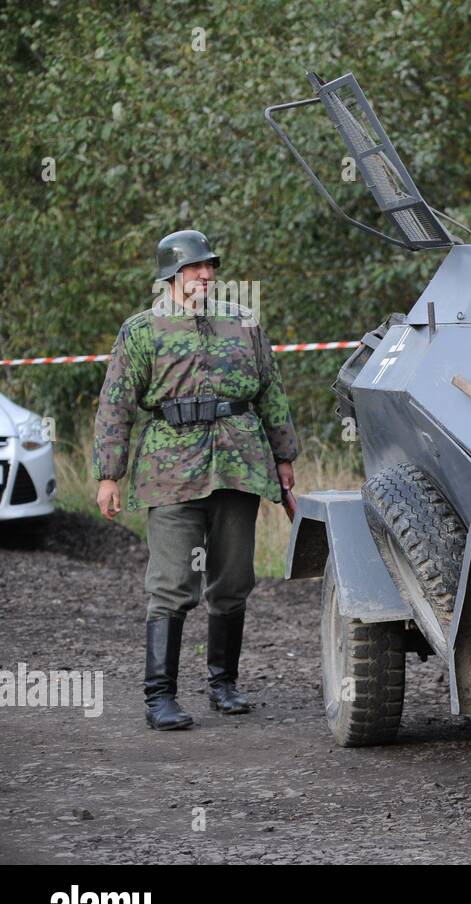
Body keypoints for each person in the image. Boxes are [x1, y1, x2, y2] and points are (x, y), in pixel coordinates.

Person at [93, 229, 299, 730]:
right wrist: (108, 474)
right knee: (171, 584)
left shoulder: (243, 324)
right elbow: (115, 404)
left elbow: (271, 391)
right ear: (171, 275)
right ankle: (159, 696)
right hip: (170, 473)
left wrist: (285, 458)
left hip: (238, 465)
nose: (205, 275)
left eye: (209, 267)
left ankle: (223, 685)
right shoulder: (141, 330)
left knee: (232, 581)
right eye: (194, 268)